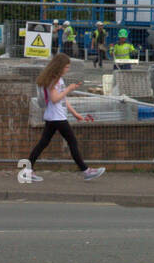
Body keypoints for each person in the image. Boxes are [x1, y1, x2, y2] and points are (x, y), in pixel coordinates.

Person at [26, 52, 105, 182]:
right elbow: (55, 98)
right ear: (60, 66)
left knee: (43, 143)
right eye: (67, 67)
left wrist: (75, 113)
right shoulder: (54, 80)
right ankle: (86, 171)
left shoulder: (56, 79)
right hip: (57, 117)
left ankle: (28, 170)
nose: (68, 69)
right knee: (72, 142)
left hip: (55, 116)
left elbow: (63, 100)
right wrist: (69, 89)